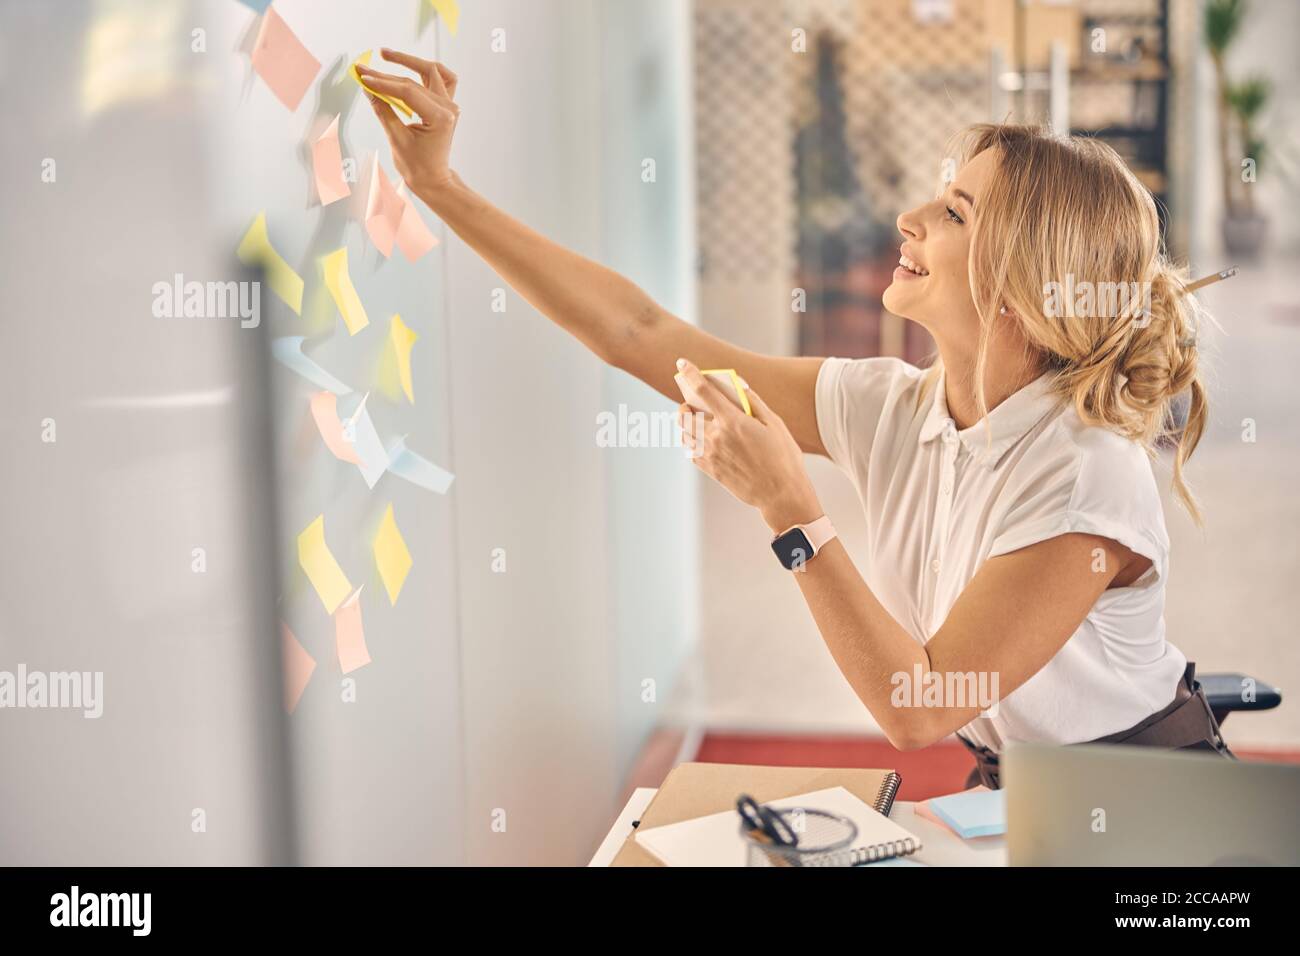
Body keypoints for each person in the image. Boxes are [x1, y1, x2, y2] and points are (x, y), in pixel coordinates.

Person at [357, 51, 1232, 789]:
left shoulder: (1084, 471)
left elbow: (919, 707)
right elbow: (642, 335)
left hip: (1151, 806)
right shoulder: (891, 404)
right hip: (1022, 794)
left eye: (953, 213)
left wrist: (792, 513)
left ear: (1020, 288)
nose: (909, 219)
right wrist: (436, 183)